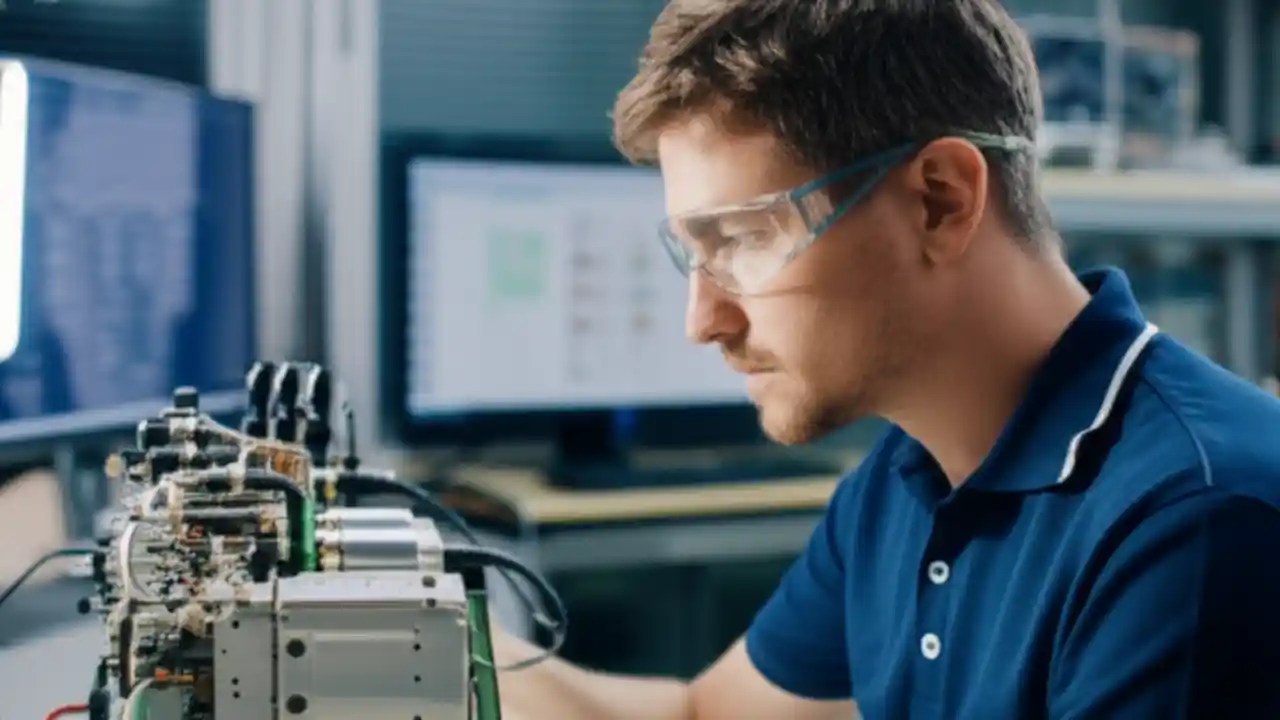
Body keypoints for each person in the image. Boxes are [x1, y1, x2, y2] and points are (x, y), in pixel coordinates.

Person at [495, 1, 1280, 718]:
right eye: (694, 255)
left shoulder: (1196, 522)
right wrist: (424, 619)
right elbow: (707, 716)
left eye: (742, 240)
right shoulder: (906, 480)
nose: (702, 321)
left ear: (940, 200)